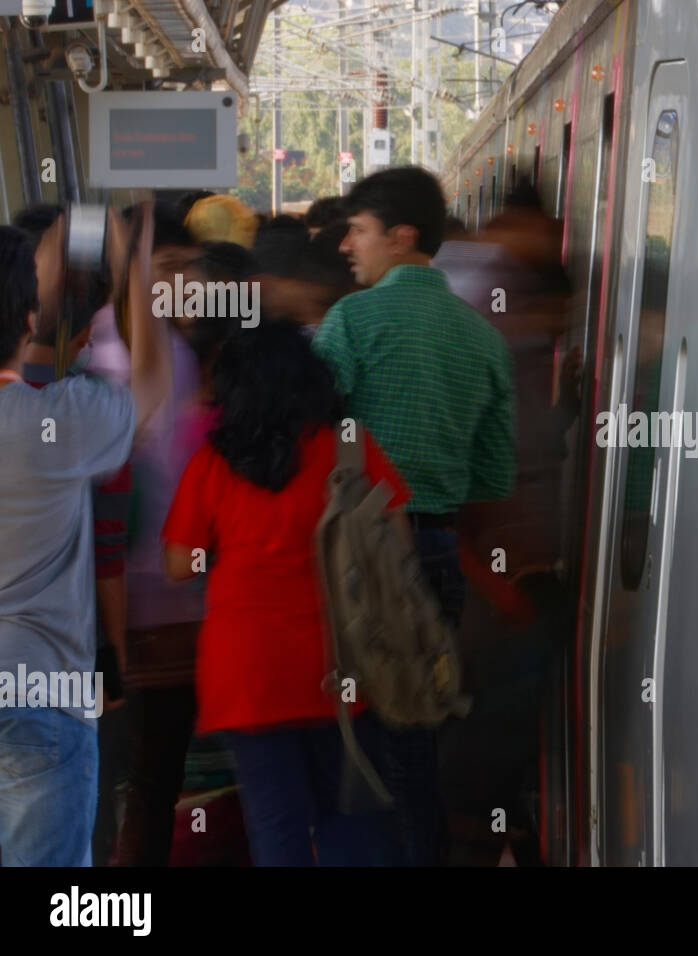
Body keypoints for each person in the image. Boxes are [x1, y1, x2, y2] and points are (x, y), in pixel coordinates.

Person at [312, 165, 515, 865]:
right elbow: (493, 474)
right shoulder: (482, 338)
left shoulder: (351, 321)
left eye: (358, 231)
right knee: (419, 726)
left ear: (400, 237)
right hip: (439, 547)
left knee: (362, 732)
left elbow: (313, 435)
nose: (346, 246)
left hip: (360, 553)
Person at [160, 320, 410, 866]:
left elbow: (180, 563)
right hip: (339, 662)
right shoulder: (348, 447)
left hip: (246, 671)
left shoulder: (215, 460)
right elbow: (396, 538)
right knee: (350, 818)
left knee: (276, 828)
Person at [0, 202, 171, 867]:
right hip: (44, 691)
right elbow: (153, 387)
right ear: (25, 319)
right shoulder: (54, 423)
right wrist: (133, 270)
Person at [115, 238, 251, 867]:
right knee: (154, 766)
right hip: (150, 607)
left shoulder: (199, 357)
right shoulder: (118, 357)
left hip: (192, 604)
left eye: (184, 271)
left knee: (171, 763)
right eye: (162, 269)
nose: (180, 283)